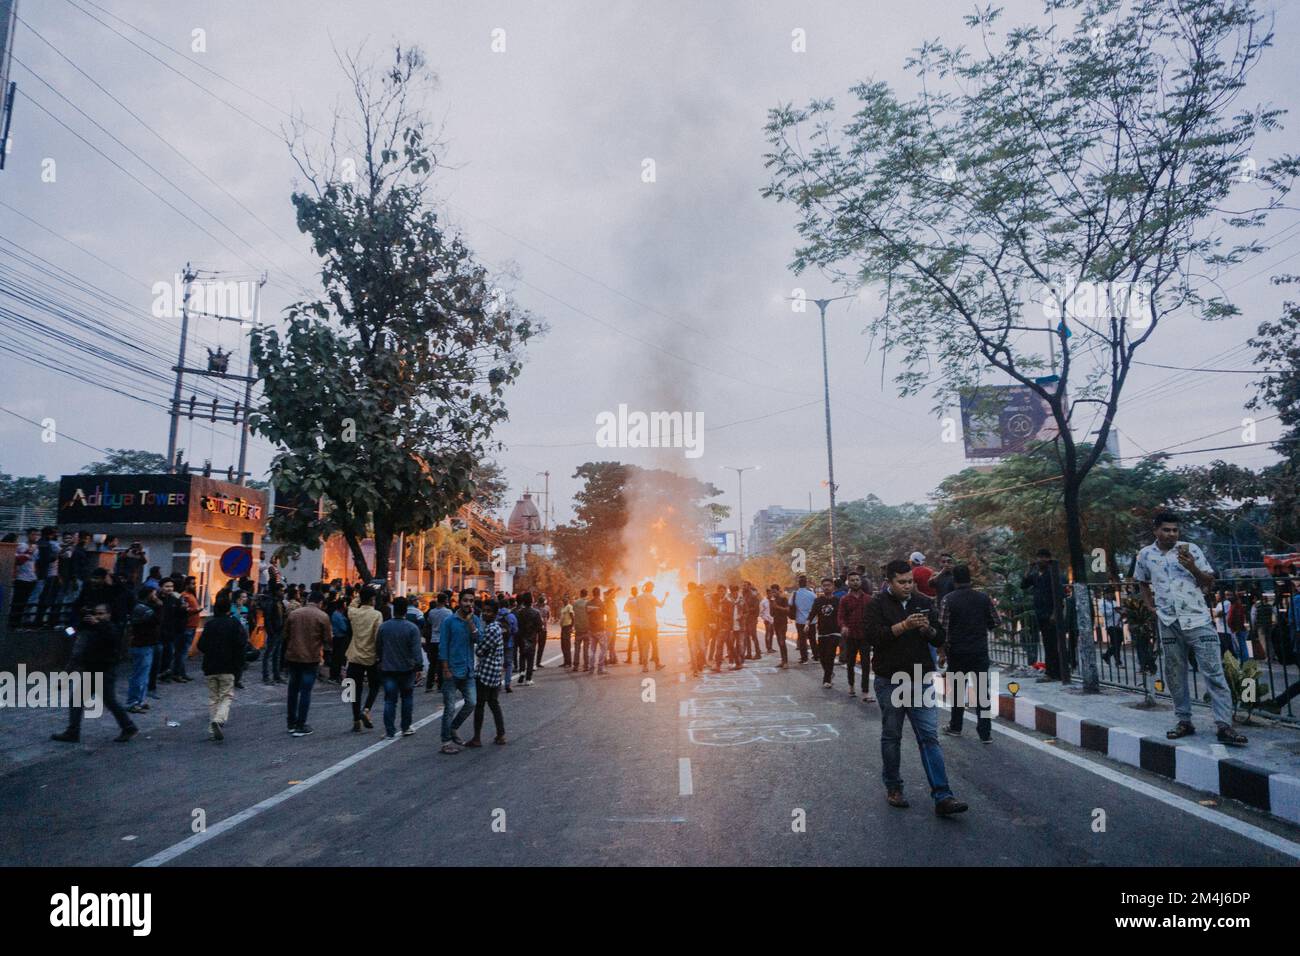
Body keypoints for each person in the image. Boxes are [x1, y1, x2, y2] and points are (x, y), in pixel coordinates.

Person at [864, 559, 967, 816]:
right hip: (890, 680)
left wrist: (927, 629)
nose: (908, 586)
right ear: (888, 581)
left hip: (920, 679)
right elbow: (873, 637)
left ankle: (943, 796)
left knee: (929, 737)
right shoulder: (876, 604)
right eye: (902, 582)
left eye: (910, 581)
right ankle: (894, 787)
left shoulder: (924, 601)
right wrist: (903, 626)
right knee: (892, 736)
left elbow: (941, 636)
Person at [1133, 512, 1246, 746]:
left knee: (1214, 673)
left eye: (1175, 530)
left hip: (1198, 620)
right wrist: (1150, 606)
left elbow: (1209, 582)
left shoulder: (1191, 549)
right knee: (1175, 674)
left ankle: (1224, 725)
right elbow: (1142, 581)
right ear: (1156, 530)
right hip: (1168, 622)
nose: (1172, 534)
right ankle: (1184, 721)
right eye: (1166, 529)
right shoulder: (1145, 555)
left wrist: (1192, 567)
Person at [50, 601, 139, 744]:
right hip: (91, 670)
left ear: (108, 615)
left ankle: (129, 727)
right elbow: (70, 632)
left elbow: (110, 638)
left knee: (109, 701)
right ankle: (73, 732)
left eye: (101, 614)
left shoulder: (110, 628)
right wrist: (81, 621)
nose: (97, 616)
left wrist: (97, 624)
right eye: (95, 613)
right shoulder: (91, 628)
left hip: (103, 672)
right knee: (79, 700)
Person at [939, 565, 998, 743]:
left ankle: (956, 726)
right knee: (982, 692)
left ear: (954, 580)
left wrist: (942, 653)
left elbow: (943, 628)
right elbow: (995, 621)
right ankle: (985, 733)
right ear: (970, 579)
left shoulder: (948, 599)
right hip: (979, 651)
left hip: (957, 652)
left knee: (957, 691)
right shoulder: (983, 597)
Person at [198, 591, 247, 742]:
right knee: (226, 696)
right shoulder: (234, 624)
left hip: (211, 666)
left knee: (213, 698)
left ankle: (212, 730)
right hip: (228, 665)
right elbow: (241, 643)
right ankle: (218, 720)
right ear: (228, 610)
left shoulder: (210, 624)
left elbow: (201, 645)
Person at [283, 592, 332, 737]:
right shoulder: (322, 616)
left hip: (293, 656)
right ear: (321, 602)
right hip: (311, 657)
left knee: (293, 689)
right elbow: (328, 639)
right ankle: (300, 724)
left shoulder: (294, 614)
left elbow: (285, 635)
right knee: (306, 690)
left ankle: (291, 722)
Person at [439, 588, 480, 754]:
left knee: (471, 702)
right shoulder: (449, 621)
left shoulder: (475, 620)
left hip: (468, 670)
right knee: (449, 708)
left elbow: (479, 640)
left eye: (471, 601)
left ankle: (453, 728)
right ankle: (446, 742)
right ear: (459, 601)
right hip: (452, 670)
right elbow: (443, 646)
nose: (468, 604)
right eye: (465, 600)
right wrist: (445, 668)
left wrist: (470, 622)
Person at [376, 596, 424, 739]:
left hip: (388, 668)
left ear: (393, 609)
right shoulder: (412, 628)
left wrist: (381, 659)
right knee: (407, 698)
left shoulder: (384, 627)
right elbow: (416, 650)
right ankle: (406, 727)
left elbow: (378, 646)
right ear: (406, 611)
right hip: (407, 669)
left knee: (390, 700)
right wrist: (419, 667)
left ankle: (389, 730)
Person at [468, 598, 507, 747]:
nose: (485, 613)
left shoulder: (491, 629)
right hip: (495, 672)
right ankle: (500, 734)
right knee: (493, 703)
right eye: (484, 610)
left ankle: (477, 738)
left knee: (480, 705)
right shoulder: (495, 627)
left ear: (495, 613)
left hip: (486, 673)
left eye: (489, 611)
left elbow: (480, 650)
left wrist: (474, 633)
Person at [1021, 549, 1064, 681]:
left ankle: (1053, 673)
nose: (1039, 560)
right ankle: (1052, 671)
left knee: (1052, 644)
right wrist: (1028, 569)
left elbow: (1059, 595)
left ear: (1048, 559)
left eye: (1042, 558)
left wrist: (1054, 613)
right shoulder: (1036, 575)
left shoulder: (1053, 574)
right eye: (1038, 557)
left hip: (1050, 613)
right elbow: (1023, 585)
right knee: (1047, 643)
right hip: (1040, 613)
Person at [346, 586, 384, 732]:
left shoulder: (354, 612)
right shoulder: (376, 615)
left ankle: (356, 720)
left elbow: (351, 606)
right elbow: (377, 637)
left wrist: (359, 597)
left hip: (354, 655)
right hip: (370, 656)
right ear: (372, 599)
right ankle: (366, 709)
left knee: (354, 689)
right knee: (374, 685)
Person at [837, 571, 873, 699]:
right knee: (850, 663)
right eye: (852, 580)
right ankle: (851, 686)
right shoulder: (844, 599)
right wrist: (844, 626)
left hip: (865, 637)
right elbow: (840, 617)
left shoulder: (868, 599)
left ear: (860, 581)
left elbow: (872, 617)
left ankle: (865, 691)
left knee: (865, 664)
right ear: (848, 582)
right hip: (850, 636)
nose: (855, 582)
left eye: (857, 579)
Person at [125, 587, 159, 713]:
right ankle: (133, 701)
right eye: (154, 594)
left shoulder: (142, 607)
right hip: (142, 644)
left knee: (143, 675)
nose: (156, 596)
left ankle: (140, 700)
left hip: (145, 644)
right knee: (139, 675)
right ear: (149, 594)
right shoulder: (144, 609)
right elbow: (157, 620)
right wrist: (159, 605)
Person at [810, 577, 841, 688]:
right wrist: (807, 624)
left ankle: (826, 680)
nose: (826, 587)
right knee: (822, 657)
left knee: (830, 654)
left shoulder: (837, 601)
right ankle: (829, 673)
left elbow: (842, 615)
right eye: (824, 585)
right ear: (821, 587)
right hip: (822, 631)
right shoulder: (818, 601)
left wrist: (845, 626)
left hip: (835, 631)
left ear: (833, 587)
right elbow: (813, 613)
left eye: (829, 585)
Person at [634, 581, 668, 672]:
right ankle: (657, 664)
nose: (653, 589)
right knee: (654, 645)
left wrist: (639, 623)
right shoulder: (652, 597)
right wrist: (665, 597)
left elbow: (637, 612)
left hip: (643, 625)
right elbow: (660, 605)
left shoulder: (639, 598)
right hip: (652, 624)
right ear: (650, 588)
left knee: (645, 646)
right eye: (653, 587)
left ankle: (645, 667)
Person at [423, 591, 452, 693]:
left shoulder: (431, 612)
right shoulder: (448, 612)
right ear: (445, 601)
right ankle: (440, 685)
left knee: (433, 663)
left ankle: (429, 685)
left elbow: (430, 623)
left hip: (433, 639)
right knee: (442, 662)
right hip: (443, 639)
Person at [10, 528, 38, 628]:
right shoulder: (22, 546)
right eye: (33, 534)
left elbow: (36, 562)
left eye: (36, 535)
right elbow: (18, 560)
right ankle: (13, 623)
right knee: (18, 602)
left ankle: (21, 622)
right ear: (28, 535)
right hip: (21, 578)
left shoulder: (36, 547)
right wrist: (29, 551)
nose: (35, 537)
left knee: (26, 602)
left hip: (31, 578)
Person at [260, 584, 288, 686]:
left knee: (277, 654)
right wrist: (271, 632)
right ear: (276, 591)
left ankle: (276, 675)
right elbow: (268, 618)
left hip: (279, 631)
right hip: (274, 632)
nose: (282, 592)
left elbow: (283, 616)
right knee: (269, 654)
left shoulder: (279, 602)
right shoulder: (271, 602)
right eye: (281, 590)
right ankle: (266, 676)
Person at [515, 592, 543, 685]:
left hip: (521, 637)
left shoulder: (519, 612)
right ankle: (528, 679)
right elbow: (540, 627)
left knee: (522, 655)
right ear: (532, 600)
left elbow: (517, 625)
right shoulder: (536, 613)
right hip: (532, 638)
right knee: (530, 658)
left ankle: (522, 672)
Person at [683, 582, 709, 677]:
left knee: (702, 648)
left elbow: (706, 611)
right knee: (693, 649)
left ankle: (700, 664)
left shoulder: (701, 599)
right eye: (692, 589)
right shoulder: (686, 600)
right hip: (691, 627)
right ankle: (695, 669)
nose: (694, 591)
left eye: (694, 589)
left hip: (700, 627)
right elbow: (685, 612)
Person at [791, 575, 817, 662]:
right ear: (806, 583)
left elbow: (790, 604)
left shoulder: (795, 594)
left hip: (800, 620)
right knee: (812, 639)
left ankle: (804, 658)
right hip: (811, 621)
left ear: (798, 584)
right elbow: (816, 605)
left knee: (802, 640)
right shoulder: (812, 594)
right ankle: (816, 656)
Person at [1097, 590, 1126, 666]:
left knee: (1118, 643)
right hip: (1110, 625)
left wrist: (1121, 613)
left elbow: (1118, 612)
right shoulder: (1101, 602)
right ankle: (1116, 660)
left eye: (1111, 594)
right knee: (1116, 643)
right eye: (1109, 594)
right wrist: (1114, 610)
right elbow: (1104, 613)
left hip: (1118, 624)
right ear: (1105, 594)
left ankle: (1107, 656)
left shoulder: (1113, 602)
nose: (1110, 595)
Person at [587, 586, 609, 675]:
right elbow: (606, 612)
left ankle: (591, 668)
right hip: (600, 629)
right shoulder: (601, 603)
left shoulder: (588, 603)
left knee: (592, 650)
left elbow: (587, 611)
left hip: (591, 629)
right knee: (603, 649)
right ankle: (600, 668)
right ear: (599, 594)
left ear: (593, 594)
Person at [769, 584, 791, 668]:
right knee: (779, 642)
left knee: (782, 641)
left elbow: (787, 610)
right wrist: (772, 606)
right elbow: (771, 613)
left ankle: (786, 662)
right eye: (772, 592)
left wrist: (777, 607)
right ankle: (782, 661)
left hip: (783, 622)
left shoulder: (784, 599)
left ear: (778, 591)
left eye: (775, 591)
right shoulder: (772, 600)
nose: (773, 593)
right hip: (776, 623)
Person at [572, 588, 590, 672]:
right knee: (586, 649)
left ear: (580, 594)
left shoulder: (575, 603)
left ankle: (576, 666)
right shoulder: (588, 603)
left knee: (577, 648)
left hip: (578, 628)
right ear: (586, 595)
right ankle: (586, 666)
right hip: (586, 628)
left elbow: (574, 613)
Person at [559, 594, 575, 668]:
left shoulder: (569, 607)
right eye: (563, 598)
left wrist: (571, 627)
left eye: (566, 598)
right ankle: (565, 662)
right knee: (563, 645)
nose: (564, 599)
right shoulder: (563, 607)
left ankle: (569, 662)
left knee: (567, 645)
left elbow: (572, 617)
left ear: (568, 600)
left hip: (567, 627)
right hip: (563, 627)